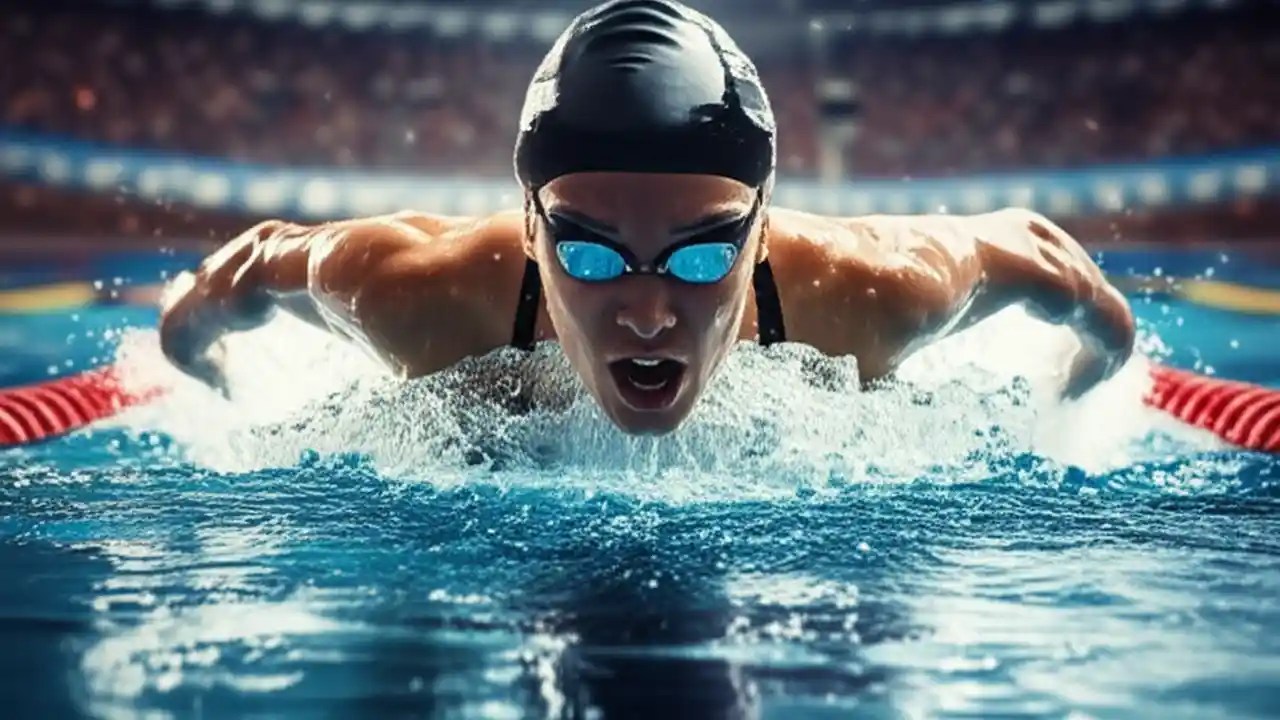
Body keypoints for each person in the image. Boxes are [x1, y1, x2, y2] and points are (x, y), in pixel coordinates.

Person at [160, 0, 1135, 435]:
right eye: (588, 251)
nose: (645, 312)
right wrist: (214, 383)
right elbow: (245, 271)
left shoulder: (870, 294)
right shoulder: (419, 293)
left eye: (701, 251)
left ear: (761, 230)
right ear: (529, 232)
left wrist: (1074, 391)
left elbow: (1047, 260)